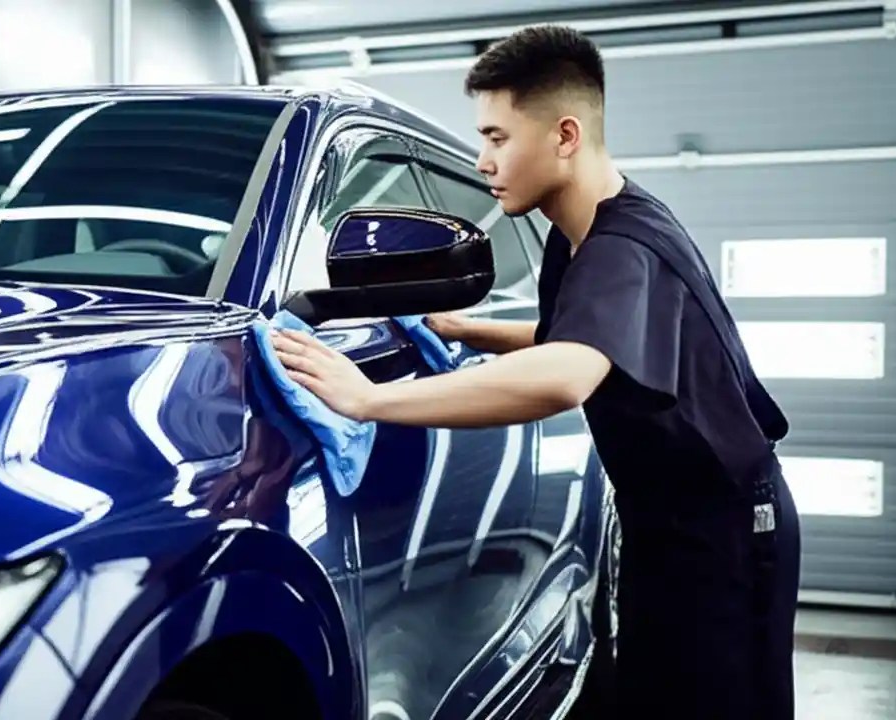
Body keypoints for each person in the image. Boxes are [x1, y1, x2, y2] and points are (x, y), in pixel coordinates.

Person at [269, 24, 801, 720]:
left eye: (497, 137)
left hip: (725, 531)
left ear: (565, 135)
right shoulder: (576, 236)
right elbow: (575, 336)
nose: (484, 160)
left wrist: (369, 399)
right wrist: (467, 329)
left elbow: (567, 373)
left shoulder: (624, 245)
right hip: (666, 524)